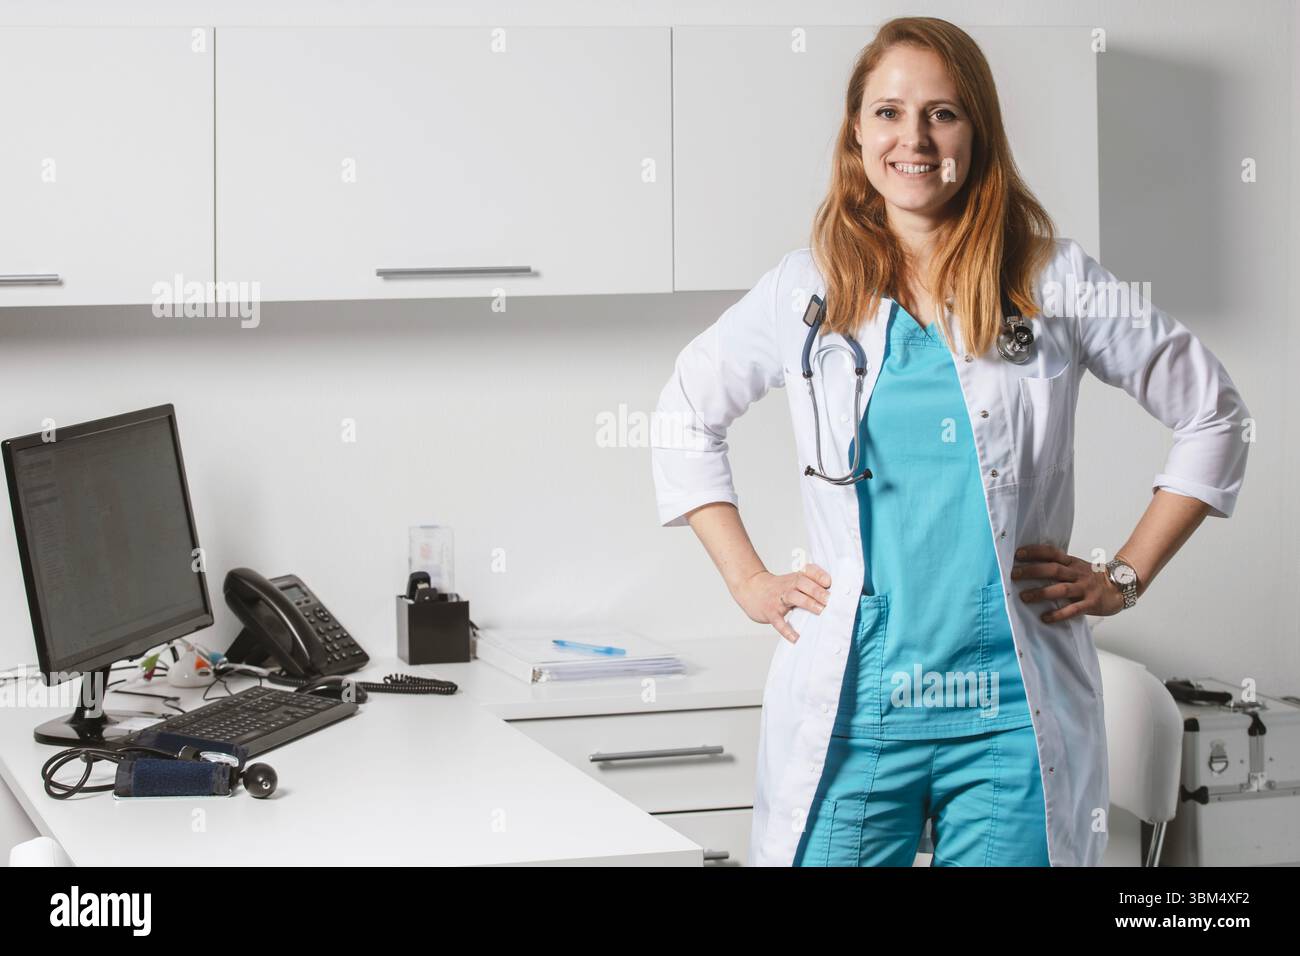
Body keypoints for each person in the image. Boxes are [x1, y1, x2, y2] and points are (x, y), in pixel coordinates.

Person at [650, 16, 1251, 867]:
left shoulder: (1054, 280)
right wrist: (747, 578)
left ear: (978, 131)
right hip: (856, 706)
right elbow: (684, 411)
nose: (915, 139)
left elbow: (1215, 415)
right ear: (857, 132)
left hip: (1010, 718)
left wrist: (1124, 575)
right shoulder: (806, 290)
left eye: (943, 113)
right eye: (889, 113)